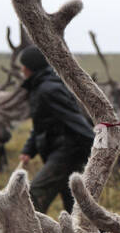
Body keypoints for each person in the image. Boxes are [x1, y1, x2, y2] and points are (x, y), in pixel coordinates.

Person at [16, 45, 96, 213]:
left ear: (31, 67)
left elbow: (75, 120)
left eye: (23, 65)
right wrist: (28, 150)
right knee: (75, 203)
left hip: (67, 152)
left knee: (35, 195)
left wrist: (99, 150)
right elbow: (41, 125)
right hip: (59, 150)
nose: (21, 69)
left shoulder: (48, 90)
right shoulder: (41, 87)